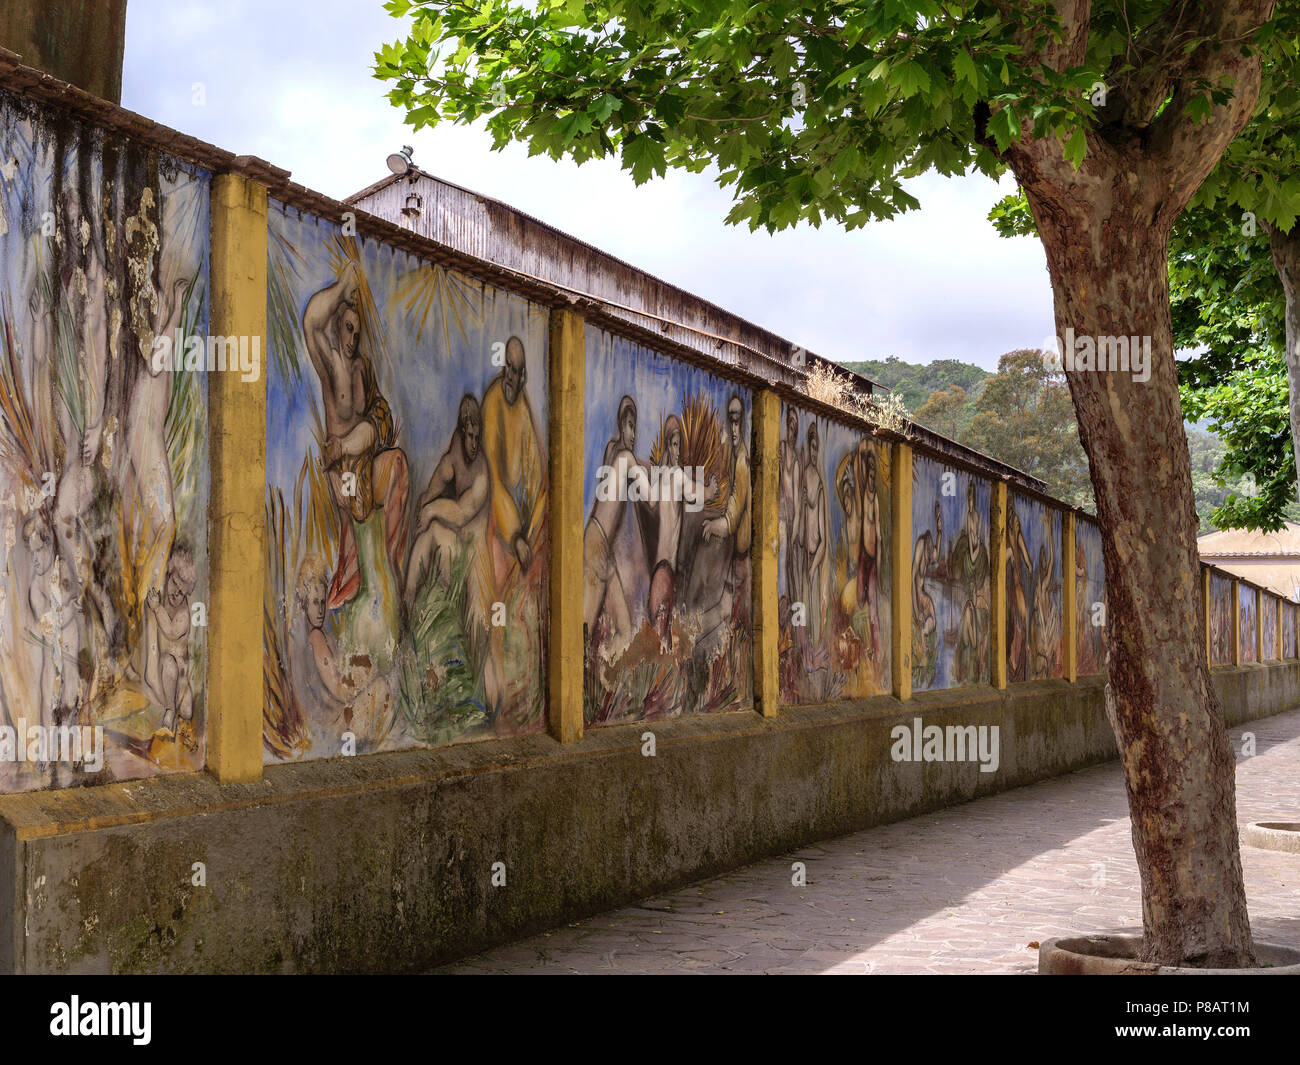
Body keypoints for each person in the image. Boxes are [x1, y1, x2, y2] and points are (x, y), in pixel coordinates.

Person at [302, 260, 410, 629]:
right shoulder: (330, 363)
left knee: (397, 466)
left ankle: (389, 563)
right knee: (357, 523)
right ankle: (352, 584)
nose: (352, 339)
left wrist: (370, 428)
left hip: (364, 460)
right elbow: (310, 322)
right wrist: (342, 288)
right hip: (343, 474)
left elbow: (380, 411)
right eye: (347, 330)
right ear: (337, 327)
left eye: (357, 333)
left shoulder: (363, 368)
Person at [406, 394, 489, 610]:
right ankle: (407, 602)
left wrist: (431, 509)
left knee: (433, 527)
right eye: (470, 436)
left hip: (474, 556)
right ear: (462, 434)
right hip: (454, 547)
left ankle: (414, 601)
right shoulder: (455, 455)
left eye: (477, 438)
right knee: (430, 531)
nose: (473, 444)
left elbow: (461, 513)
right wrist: (424, 508)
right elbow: (431, 492)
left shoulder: (482, 474)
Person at [646, 414, 716, 648]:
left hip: (657, 566)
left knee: (658, 633)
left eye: (679, 445)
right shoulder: (675, 475)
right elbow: (696, 493)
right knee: (664, 639)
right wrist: (711, 490)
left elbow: (651, 502)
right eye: (675, 445)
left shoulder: (660, 476)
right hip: (668, 568)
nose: (678, 451)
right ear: (668, 444)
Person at [480, 336, 546, 581]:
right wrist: (516, 536)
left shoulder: (522, 406)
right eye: (507, 367)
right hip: (492, 515)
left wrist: (531, 526)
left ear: (523, 376)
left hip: (515, 522)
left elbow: (534, 474)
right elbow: (493, 479)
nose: (509, 376)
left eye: (515, 371)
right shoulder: (492, 402)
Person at [584, 395, 639, 647]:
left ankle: (604, 681)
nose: (633, 434)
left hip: (603, 549)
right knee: (582, 632)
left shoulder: (612, 452)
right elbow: (649, 495)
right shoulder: (625, 457)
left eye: (635, 427)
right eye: (629, 426)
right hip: (596, 543)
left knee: (625, 631)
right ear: (620, 424)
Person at [144, 545, 196, 734]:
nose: (175, 593)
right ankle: (169, 710)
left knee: (188, 711)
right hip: (164, 668)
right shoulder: (162, 593)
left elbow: (170, 631)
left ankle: (176, 706)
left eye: (182, 592)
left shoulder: (184, 614)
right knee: (168, 663)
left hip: (181, 677)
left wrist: (157, 608)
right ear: (168, 576)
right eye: (174, 583)